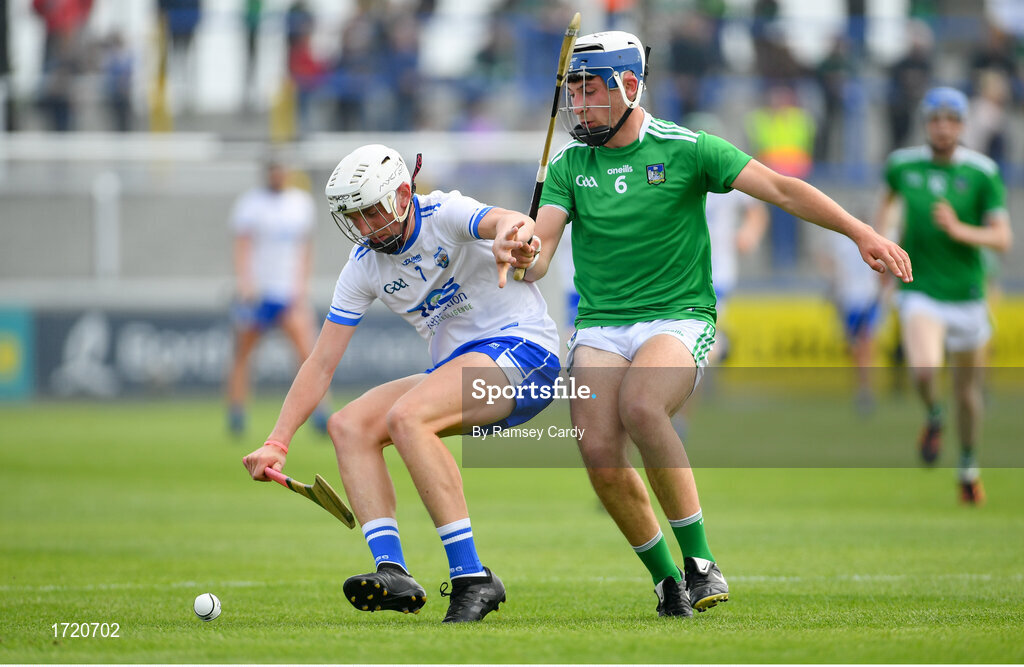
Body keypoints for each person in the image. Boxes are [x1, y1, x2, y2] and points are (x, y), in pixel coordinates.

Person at [505, 31, 911, 618]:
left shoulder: (687, 148)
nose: (579, 105)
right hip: (601, 324)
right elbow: (540, 251)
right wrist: (523, 258)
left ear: (631, 86)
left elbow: (781, 189)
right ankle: (667, 581)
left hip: (679, 315)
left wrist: (862, 232)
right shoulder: (571, 164)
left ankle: (699, 562)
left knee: (643, 407)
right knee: (597, 449)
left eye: (591, 91)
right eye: (574, 92)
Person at [242, 144, 561, 623]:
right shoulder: (364, 265)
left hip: (525, 354)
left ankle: (472, 578)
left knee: (408, 417)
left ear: (404, 194)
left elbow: (506, 219)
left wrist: (510, 237)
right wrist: (277, 441)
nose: (365, 227)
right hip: (462, 367)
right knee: (350, 425)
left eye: (372, 212)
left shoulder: (443, 213)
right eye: (354, 216)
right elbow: (320, 364)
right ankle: (392, 571)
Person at [873, 86, 1012, 505]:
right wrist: (882, 249)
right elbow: (885, 211)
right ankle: (934, 415)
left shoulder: (983, 172)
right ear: (925, 123)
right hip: (922, 290)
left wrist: (958, 229)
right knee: (924, 368)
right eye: (936, 120)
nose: (943, 128)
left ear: (963, 125)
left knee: (968, 396)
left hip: (968, 294)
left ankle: (968, 467)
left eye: (952, 120)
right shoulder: (902, 166)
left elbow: (1003, 239)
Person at [226, 157, 328, 436]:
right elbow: (243, 246)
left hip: (289, 292)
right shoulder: (250, 204)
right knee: (243, 354)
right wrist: (246, 284)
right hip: (259, 292)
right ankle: (236, 412)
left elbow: (305, 249)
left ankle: (319, 412)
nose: (279, 175)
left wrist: (301, 287)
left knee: (309, 355)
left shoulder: (301, 204)